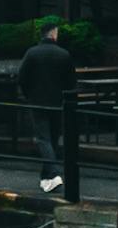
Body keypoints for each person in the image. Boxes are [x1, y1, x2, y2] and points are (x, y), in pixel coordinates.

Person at [17, 19, 81, 196]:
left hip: (37, 100)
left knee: (43, 138)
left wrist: (28, 94)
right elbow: (71, 81)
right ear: (53, 34)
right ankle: (47, 176)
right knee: (53, 137)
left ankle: (51, 174)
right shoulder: (63, 54)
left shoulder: (32, 53)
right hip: (58, 101)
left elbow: (22, 77)